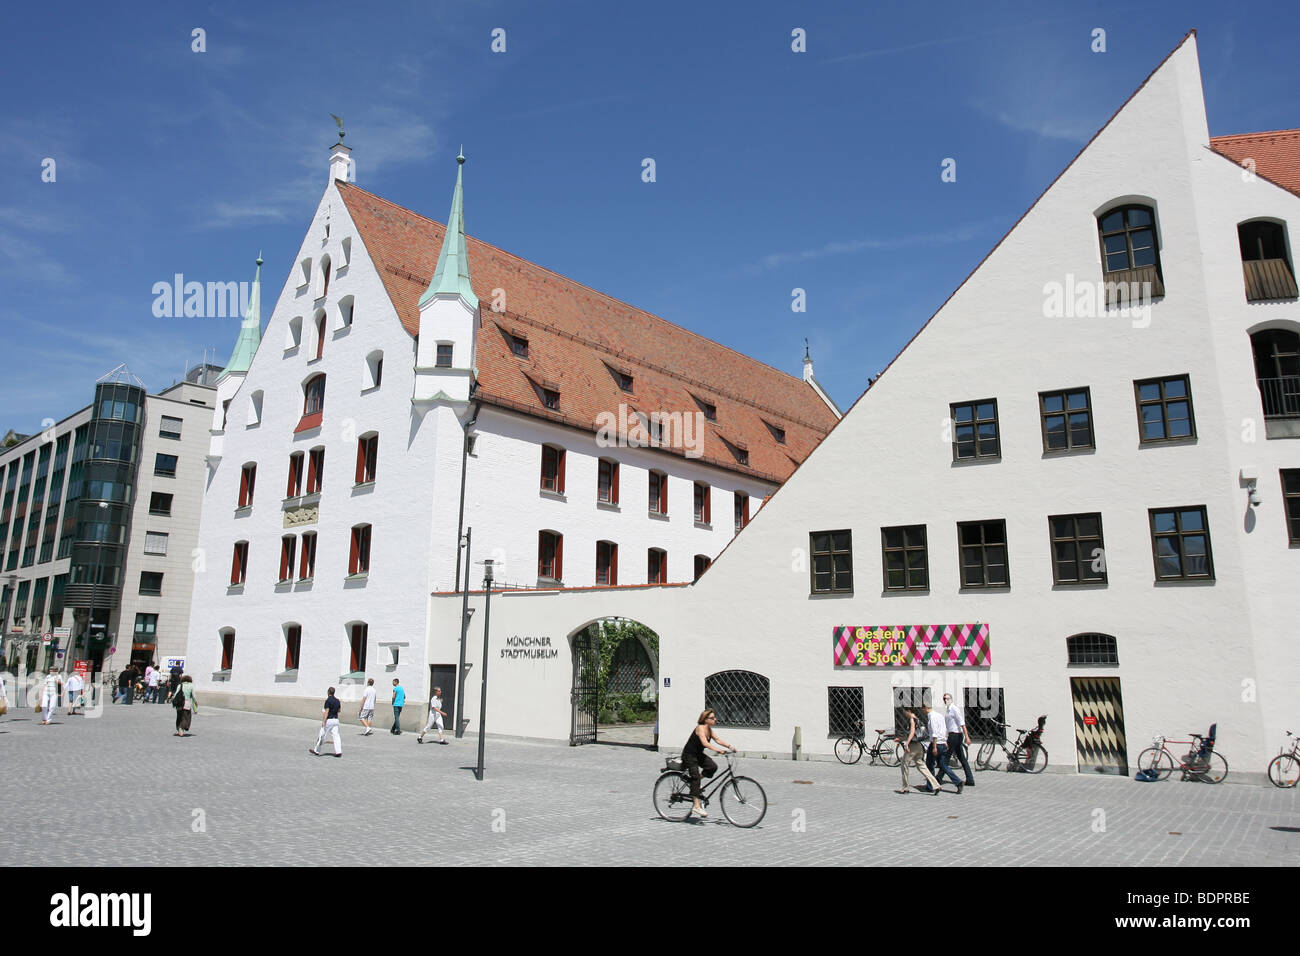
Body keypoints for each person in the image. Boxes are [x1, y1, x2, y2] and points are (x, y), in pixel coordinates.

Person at [682, 708, 733, 819]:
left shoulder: (709, 729)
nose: (715, 719)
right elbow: (704, 743)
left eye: (714, 717)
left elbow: (717, 739)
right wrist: (718, 750)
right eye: (712, 718)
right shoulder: (700, 728)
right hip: (689, 755)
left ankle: (695, 783)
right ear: (705, 719)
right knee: (696, 778)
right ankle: (696, 806)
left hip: (698, 754)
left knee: (712, 767)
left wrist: (730, 747)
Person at [896, 708, 941, 795]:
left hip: (912, 746)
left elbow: (912, 733)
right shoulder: (918, 719)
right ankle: (936, 785)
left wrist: (907, 744)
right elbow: (916, 734)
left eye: (905, 712)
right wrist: (901, 739)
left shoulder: (912, 719)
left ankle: (905, 787)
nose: (905, 714)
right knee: (921, 766)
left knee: (904, 765)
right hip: (919, 746)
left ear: (909, 711)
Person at [923, 701, 963, 793]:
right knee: (943, 765)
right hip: (942, 743)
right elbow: (945, 729)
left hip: (936, 743)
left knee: (930, 765)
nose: (923, 712)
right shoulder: (940, 715)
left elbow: (934, 733)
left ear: (925, 708)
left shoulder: (932, 717)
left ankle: (931, 786)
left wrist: (934, 747)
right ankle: (958, 782)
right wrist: (945, 741)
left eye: (923, 709)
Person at [942, 693, 976, 787]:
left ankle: (938, 778)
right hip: (953, 735)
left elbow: (962, 723)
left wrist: (967, 736)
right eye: (944, 699)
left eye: (947, 699)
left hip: (955, 735)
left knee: (945, 758)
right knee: (961, 757)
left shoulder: (954, 709)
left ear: (951, 699)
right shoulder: (948, 710)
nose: (945, 700)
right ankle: (970, 779)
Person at [310, 687, 343, 757]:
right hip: (336, 720)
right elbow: (339, 710)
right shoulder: (337, 700)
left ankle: (316, 750)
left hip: (329, 720)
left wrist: (323, 721)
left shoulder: (328, 700)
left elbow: (326, 712)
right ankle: (338, 751)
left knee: (322, 735)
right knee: (336, 736)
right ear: (334, 692)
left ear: (328, 692)